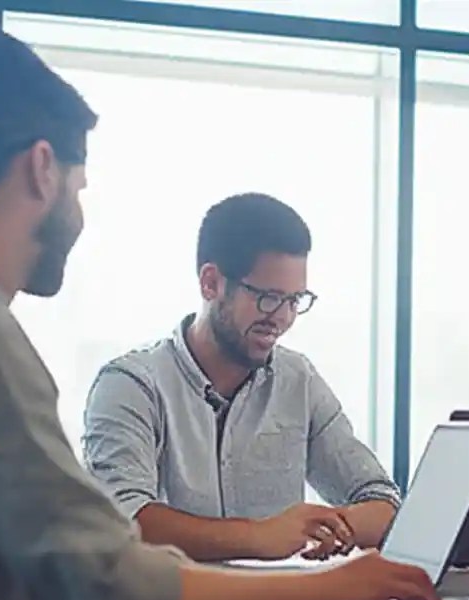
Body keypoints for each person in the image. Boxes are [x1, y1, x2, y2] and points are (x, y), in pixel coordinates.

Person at [0, 29, 442, 600]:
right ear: (41, 169)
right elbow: (111, 589)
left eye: (293, 301)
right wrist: (325, 588)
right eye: (80, 189)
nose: (282, 316)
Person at [84, 193, 399, 564]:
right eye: (268, 297)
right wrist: (260, 537)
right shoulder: (130, 385)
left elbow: (383, 503)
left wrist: (328, 526)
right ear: (211, 283)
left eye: (294, 300)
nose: (281, 318)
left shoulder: (299, 381)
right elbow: (124, 521)